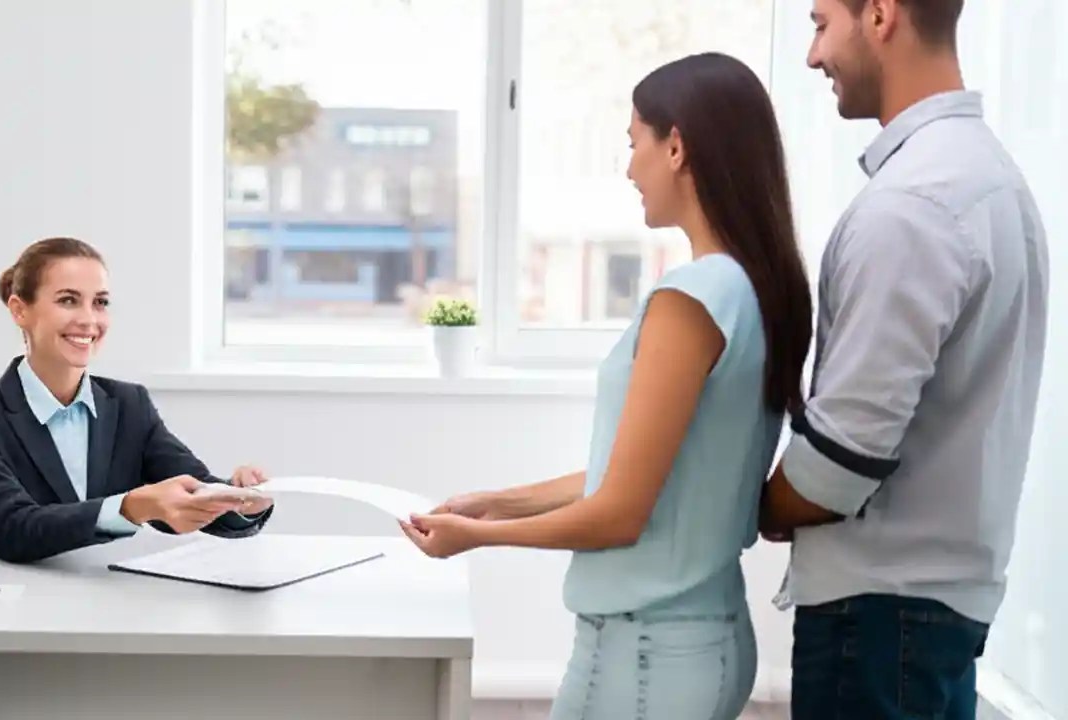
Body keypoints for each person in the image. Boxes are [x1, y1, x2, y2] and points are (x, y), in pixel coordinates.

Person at [400, 53, 813, 719]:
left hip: (646, 653)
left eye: (633, 143)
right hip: (695, 640)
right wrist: (495, 504)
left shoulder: (693, 297)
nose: (628, 168)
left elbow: (620, 513)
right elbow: (649, 479)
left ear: (675, 146)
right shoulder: (752, 287)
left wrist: (475, 539)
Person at [758, 1, 1049, 718]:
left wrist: (747, 507)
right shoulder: (989, 180)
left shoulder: (914, 205)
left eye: (822, 23)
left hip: (879, 624)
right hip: (930, 619)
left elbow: (838, 466)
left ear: (882, 14)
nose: (812, 56)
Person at [0, 237, 274, 563]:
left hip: (111, 595)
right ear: (19, 310)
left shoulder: (129, 404)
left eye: (100, 302)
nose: (89, 320)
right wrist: (131, 507)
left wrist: (239, 499)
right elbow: (10, 530)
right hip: (23, 599)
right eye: (68, 300)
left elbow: (192, 489)